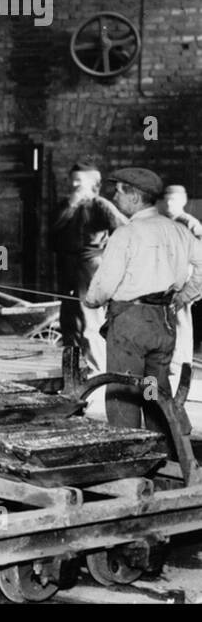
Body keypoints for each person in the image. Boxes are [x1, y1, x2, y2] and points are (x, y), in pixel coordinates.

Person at [83, 167, 202, 433]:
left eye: (119, 191)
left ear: (135, 197)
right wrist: (184, 296)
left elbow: (103, 285)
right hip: (163, 321)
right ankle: (164, 447)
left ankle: (129, 450)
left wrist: (92, 300)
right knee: (154, 387)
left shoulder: (126, 234)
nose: (114, 197)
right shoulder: (178, 231)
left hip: (130, 324)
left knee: (124, 389)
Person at [50, 159, 126, 396]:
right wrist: (70, 207)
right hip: (67, 270)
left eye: (80, 182)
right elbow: (51, 234)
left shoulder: (100, 206)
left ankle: (97, 380)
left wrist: (106, 255)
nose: (74, 184)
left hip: (89, 270)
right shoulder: (64, 206)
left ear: (93, 184)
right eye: (72, 180)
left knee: (89, 327)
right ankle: (74, 380)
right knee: (69, 326)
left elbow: (125, 231)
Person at [161, 185, 202, 396]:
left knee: (181, 331)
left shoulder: (190, 224)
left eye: (174, 200)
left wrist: (190, 290)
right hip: (161, 285)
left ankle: (179, 382)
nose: (169, 204)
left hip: (181, 286)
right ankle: (159, 389)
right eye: (166, 200)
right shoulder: (160, 223)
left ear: (183, 201)